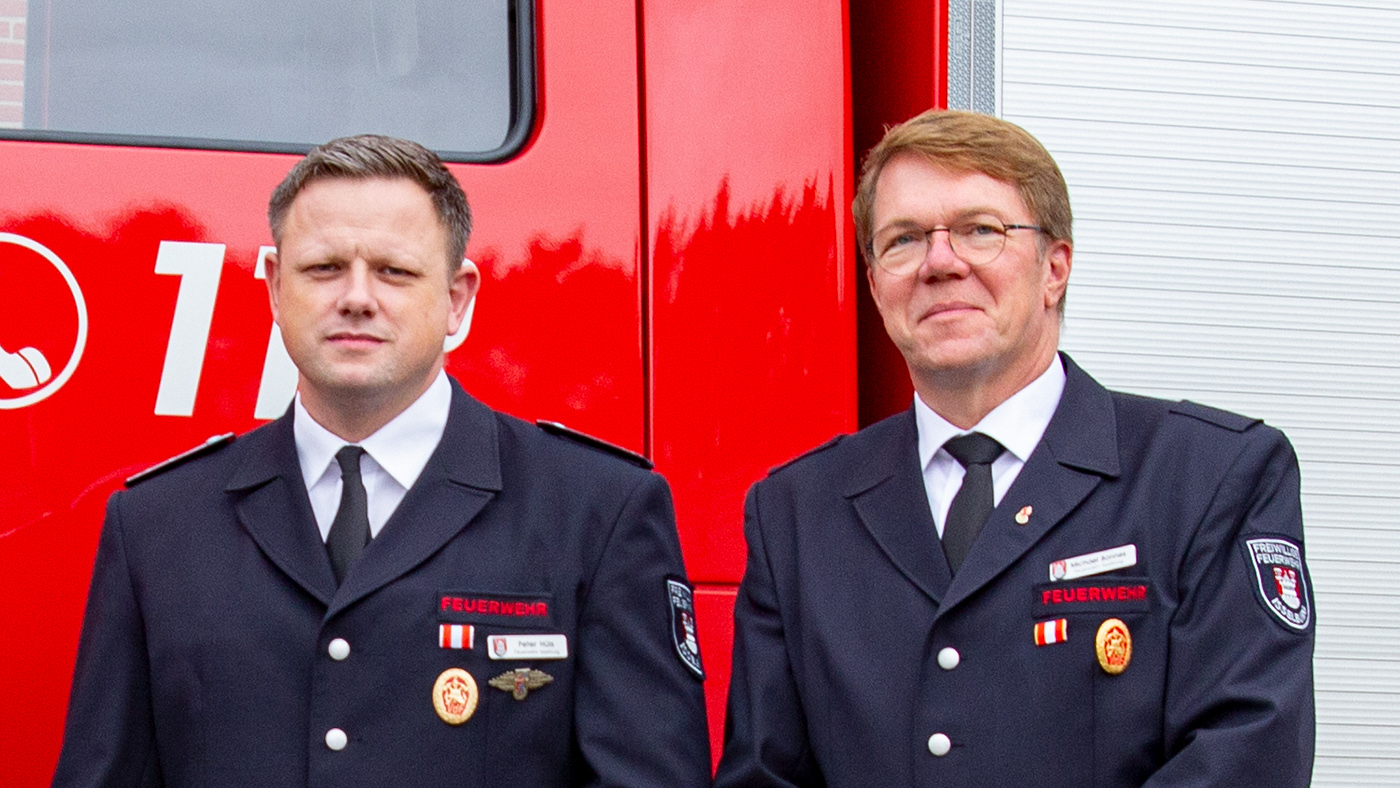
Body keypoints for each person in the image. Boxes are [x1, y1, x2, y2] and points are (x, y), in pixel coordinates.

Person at [52, 135, 710, 787]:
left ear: (458, 297)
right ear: (276, 289)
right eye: (324, 269)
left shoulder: (596, 512)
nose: (357, 297)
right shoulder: (157, 526)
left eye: (394, 271)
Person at [713, 110, 1314, 787]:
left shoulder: (1207, 479)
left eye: (980, 230)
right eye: (904, 239)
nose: (941, 262)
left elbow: (1245, 757)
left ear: (1055, 267)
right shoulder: (797, 513)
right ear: (877, 286)